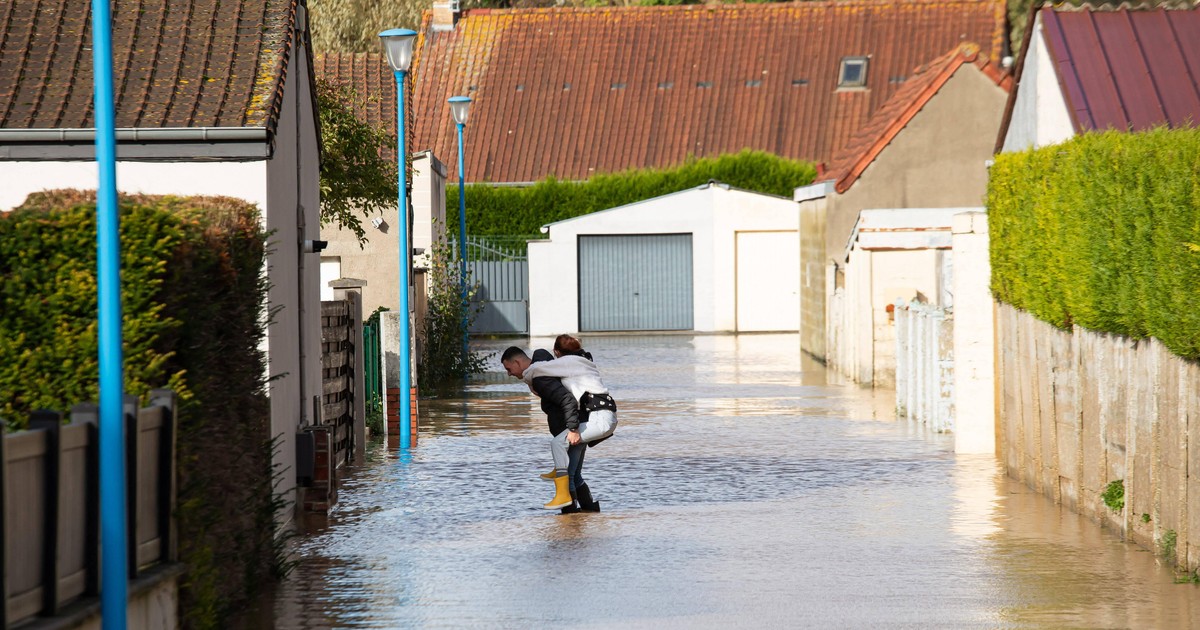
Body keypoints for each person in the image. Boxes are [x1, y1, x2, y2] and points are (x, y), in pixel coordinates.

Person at [522, 335, 617, 509]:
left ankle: (563, 497)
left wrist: (527, 379)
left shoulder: (570, 362)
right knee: (572, 472)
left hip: (599, 418)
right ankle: (584, 512)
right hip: (600, 417)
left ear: (557, 352)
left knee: (558, 442)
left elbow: (537, 369)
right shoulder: (582, 361)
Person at [501, 346, 587, 512]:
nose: (509, 374)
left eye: (509, 369)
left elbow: (567, 400)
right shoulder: (541, 370)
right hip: (573, 427)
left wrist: (573, 430)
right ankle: (585, 515)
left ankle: (569, 521)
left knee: (568, 476)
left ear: (517, 362)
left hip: (570, 431)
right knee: (574, 475)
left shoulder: (540, 376)